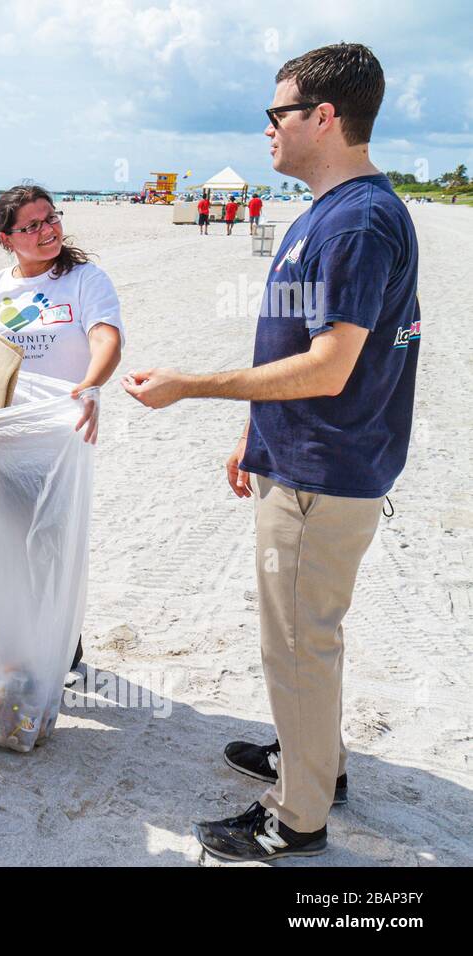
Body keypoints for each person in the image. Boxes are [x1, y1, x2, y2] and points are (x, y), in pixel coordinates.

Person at [123, 43, 418, 862]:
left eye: (276, 113)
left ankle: (297, 816)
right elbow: (287, 340)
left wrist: (189, 386)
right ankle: (316, 761)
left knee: (297, 643)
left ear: (324, 118)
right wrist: (254, 429)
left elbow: (330, 366)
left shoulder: (357, 219)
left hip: (326, 471)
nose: (267, 130)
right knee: (305, 637)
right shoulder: (321, 211)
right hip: (296, 456)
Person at [0, 184, 125, 678]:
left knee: (51, 545)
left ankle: (62, 648)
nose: (47, 230)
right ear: (6, 238)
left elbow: (105, 338)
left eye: (50, 218)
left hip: (58, 437)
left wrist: (91, 385)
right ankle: (13, 650)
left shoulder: (83, 280)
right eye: (31, 226)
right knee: (1, 546)